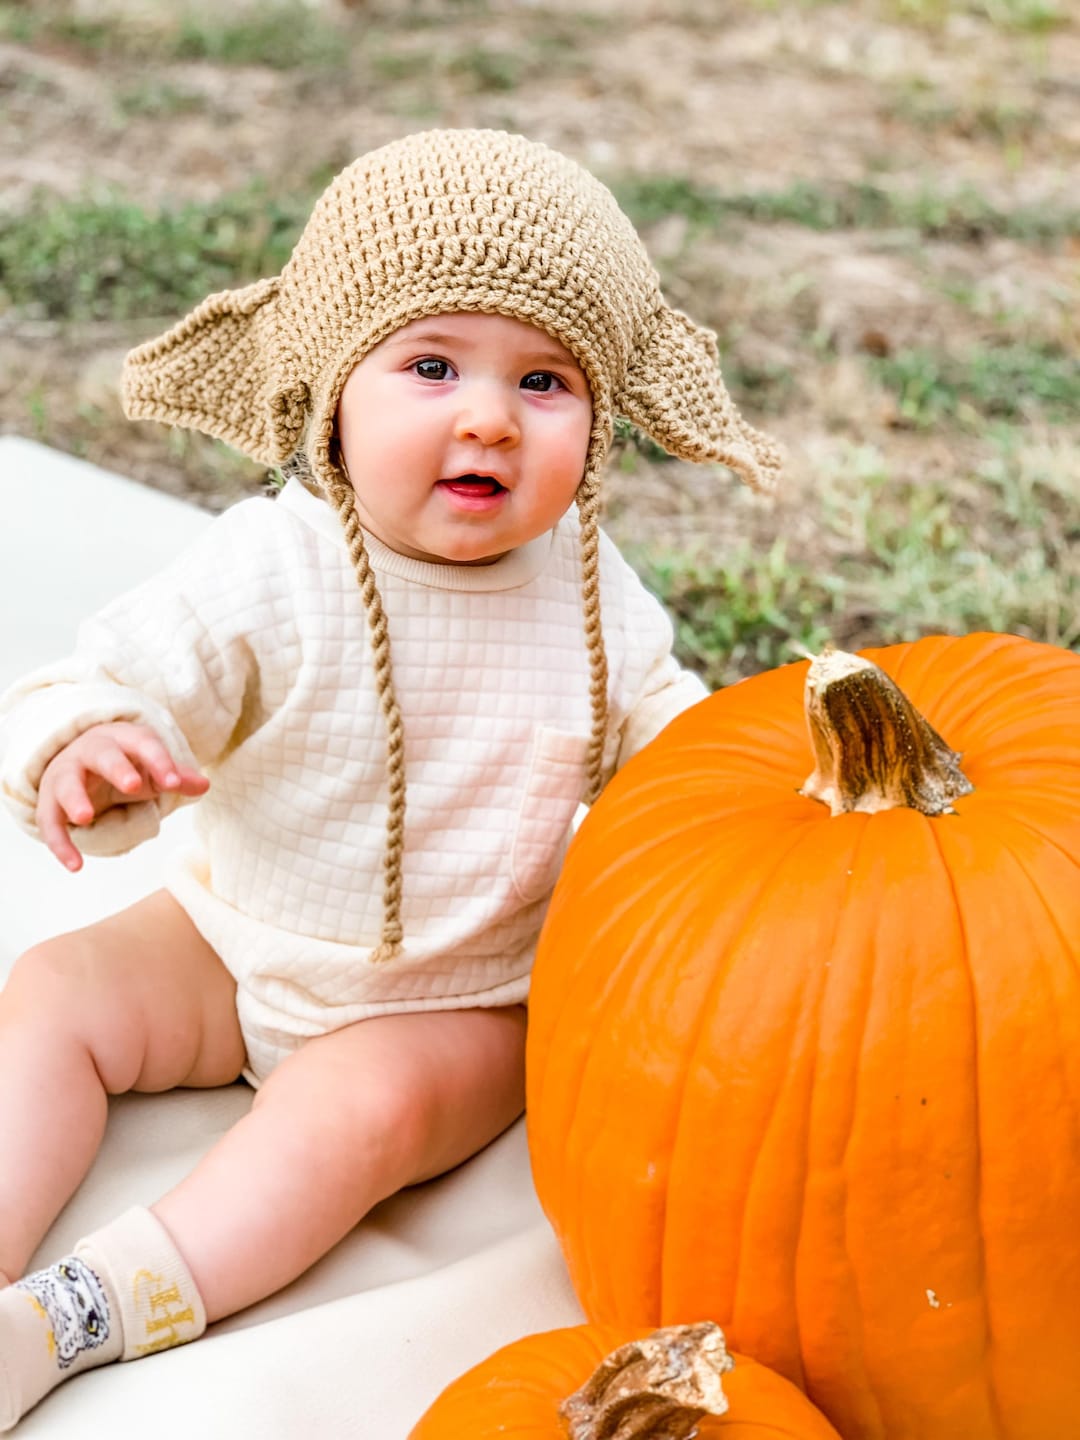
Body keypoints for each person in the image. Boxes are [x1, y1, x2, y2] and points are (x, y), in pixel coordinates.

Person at [0, 128, 782, 1428]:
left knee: (355, 1119)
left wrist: (753, 802)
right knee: (58, 989)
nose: (487, 416)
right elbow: (112, 675)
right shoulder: (272, 564)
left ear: (597, 425)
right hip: (234, 937)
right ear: (333, 394)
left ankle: (72, 1316)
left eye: (544, 382)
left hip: (461, 995)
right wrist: (92, 747)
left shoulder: (594, 595)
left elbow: (683, 753)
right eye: (431, 366)